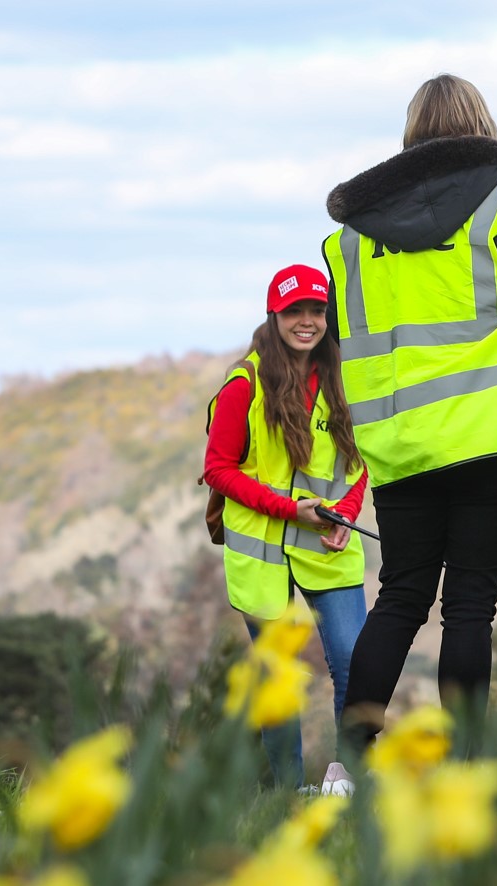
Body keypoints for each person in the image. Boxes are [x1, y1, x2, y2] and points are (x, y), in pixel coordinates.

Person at [321, 73, 497, 750]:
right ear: (482, 123)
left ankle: (346, 768)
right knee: (470, 606)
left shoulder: (349, 239)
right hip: (486, 438)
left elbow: (337, 339)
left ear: (411, 132)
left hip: (396, 445)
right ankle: (468, 772)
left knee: (399, 598)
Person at [203, 263, 369, 790]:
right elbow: (218, 469)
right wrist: (286, 509)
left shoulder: (346, 378)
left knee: (356, 662)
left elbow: (363, 461)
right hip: (262, 553)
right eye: (294, 311)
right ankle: (289, 793)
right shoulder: (244, 384)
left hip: (327, 544)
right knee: (277, 678)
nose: (307, 321)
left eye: (317, 310)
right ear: (273, 315)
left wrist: (348, 513)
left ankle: (347, 781)